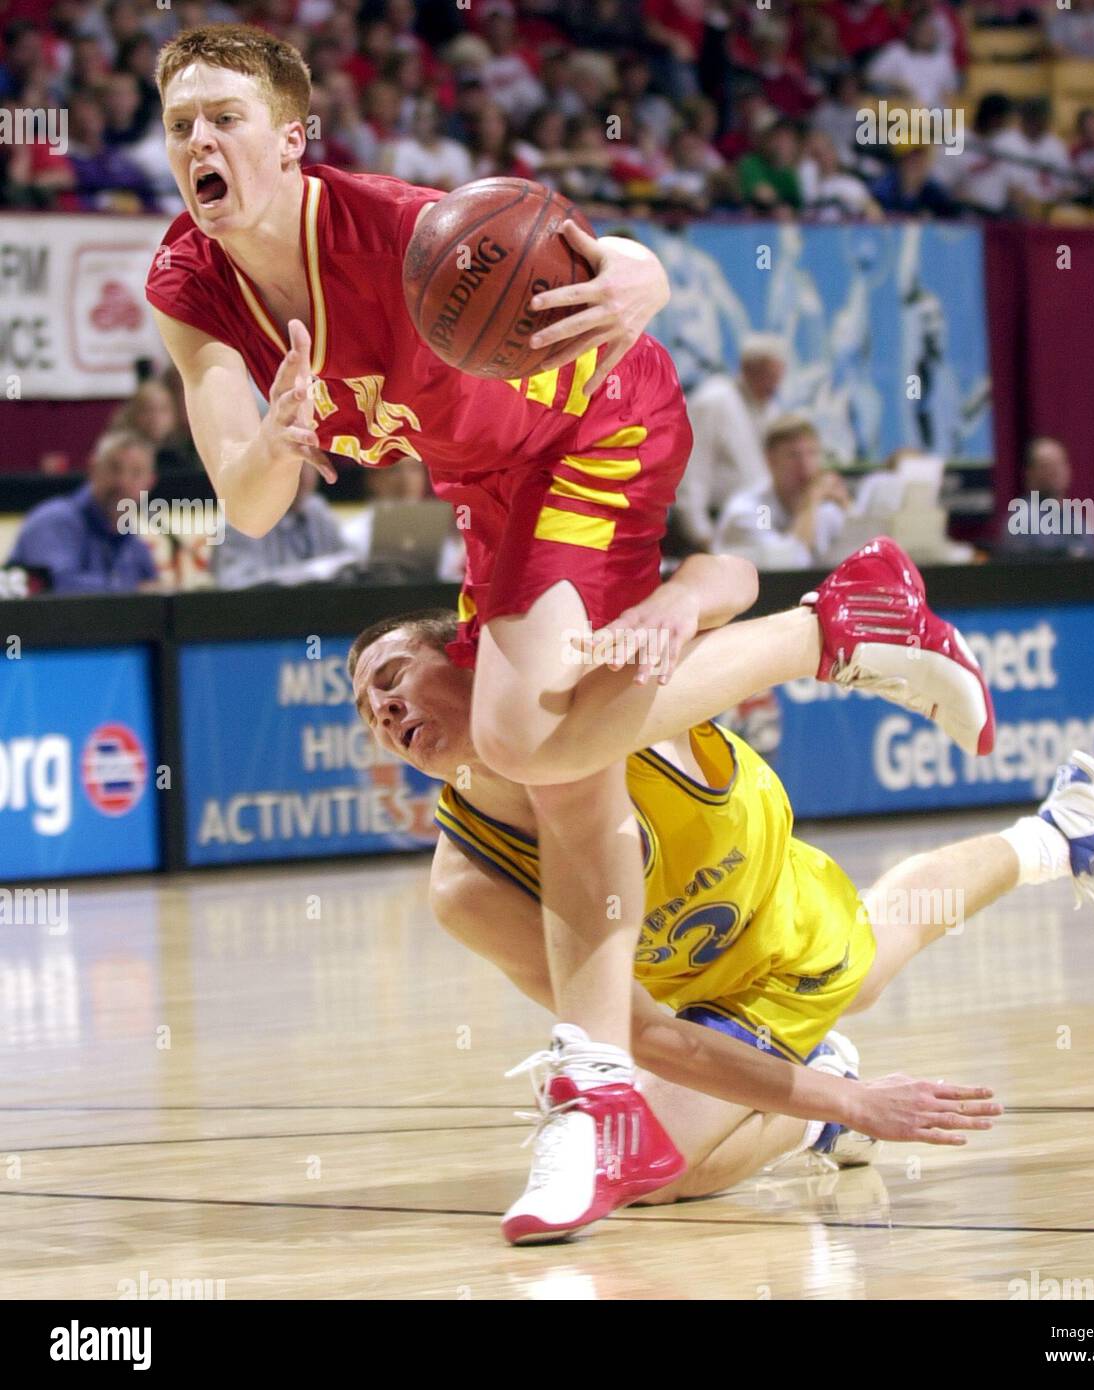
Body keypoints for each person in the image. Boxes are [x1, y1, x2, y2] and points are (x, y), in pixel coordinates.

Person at [144, 24, 993, 1241]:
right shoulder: (191, 288)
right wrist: (273, 444)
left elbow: (565, 248)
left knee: (534, 749)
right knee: (549, 762)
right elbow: (251, 500)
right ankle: (601, 1094)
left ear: (292, 138)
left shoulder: (391, 225)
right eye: (179, 124)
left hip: (596, 431)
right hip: (492, 493)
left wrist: (647, 266)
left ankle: (834, 628)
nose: (198, 142)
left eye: (223, 116)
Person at [349, 554, 1094, 1238]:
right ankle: (1061, 832)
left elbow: (732, 572)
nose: (383, 712)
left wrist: (678, 599)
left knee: (656, 1171)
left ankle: (816, 1093)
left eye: (392, 676)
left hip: (777, 912)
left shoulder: (587, 698)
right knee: (866, 969)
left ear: (469, 655)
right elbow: (637, 1031)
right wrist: (855, 1101)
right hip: (699, 990)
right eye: (365, 712)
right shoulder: (465, 885)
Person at [7, 429, 160, 593]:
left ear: (150, 483)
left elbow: (154, 591)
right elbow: (55, 587)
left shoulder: (133, 544)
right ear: (92, 468)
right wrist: (133, 591)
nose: (122, 481)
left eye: (136, 473)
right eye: (114, 468)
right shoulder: (54, 521)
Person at [675, 334, 787, 550]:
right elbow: (692, 471)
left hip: (757, 523)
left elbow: (763, 481)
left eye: (778, 377)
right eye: (768, 376)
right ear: (748, 369)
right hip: (715, 524)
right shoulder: (714, 402)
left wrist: (768, 537)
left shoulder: (771, 410)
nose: (774, 386)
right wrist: (701, 535)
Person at [714, 415, 853, 569]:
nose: (805, 464)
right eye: (793, 455)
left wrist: (847, 509)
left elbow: (856, 557)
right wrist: (809, 504)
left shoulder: (824, 509)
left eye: (812, 453)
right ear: (771, 460)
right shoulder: (758, 509)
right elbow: (788, 563)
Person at [211, 461, 351, 588]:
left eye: (305, 464)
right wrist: (308, 573)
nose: (300, 474)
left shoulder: (318, 510)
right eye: (291, 464)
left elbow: (348, 563)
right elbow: (233, 585)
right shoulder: (238, 520)